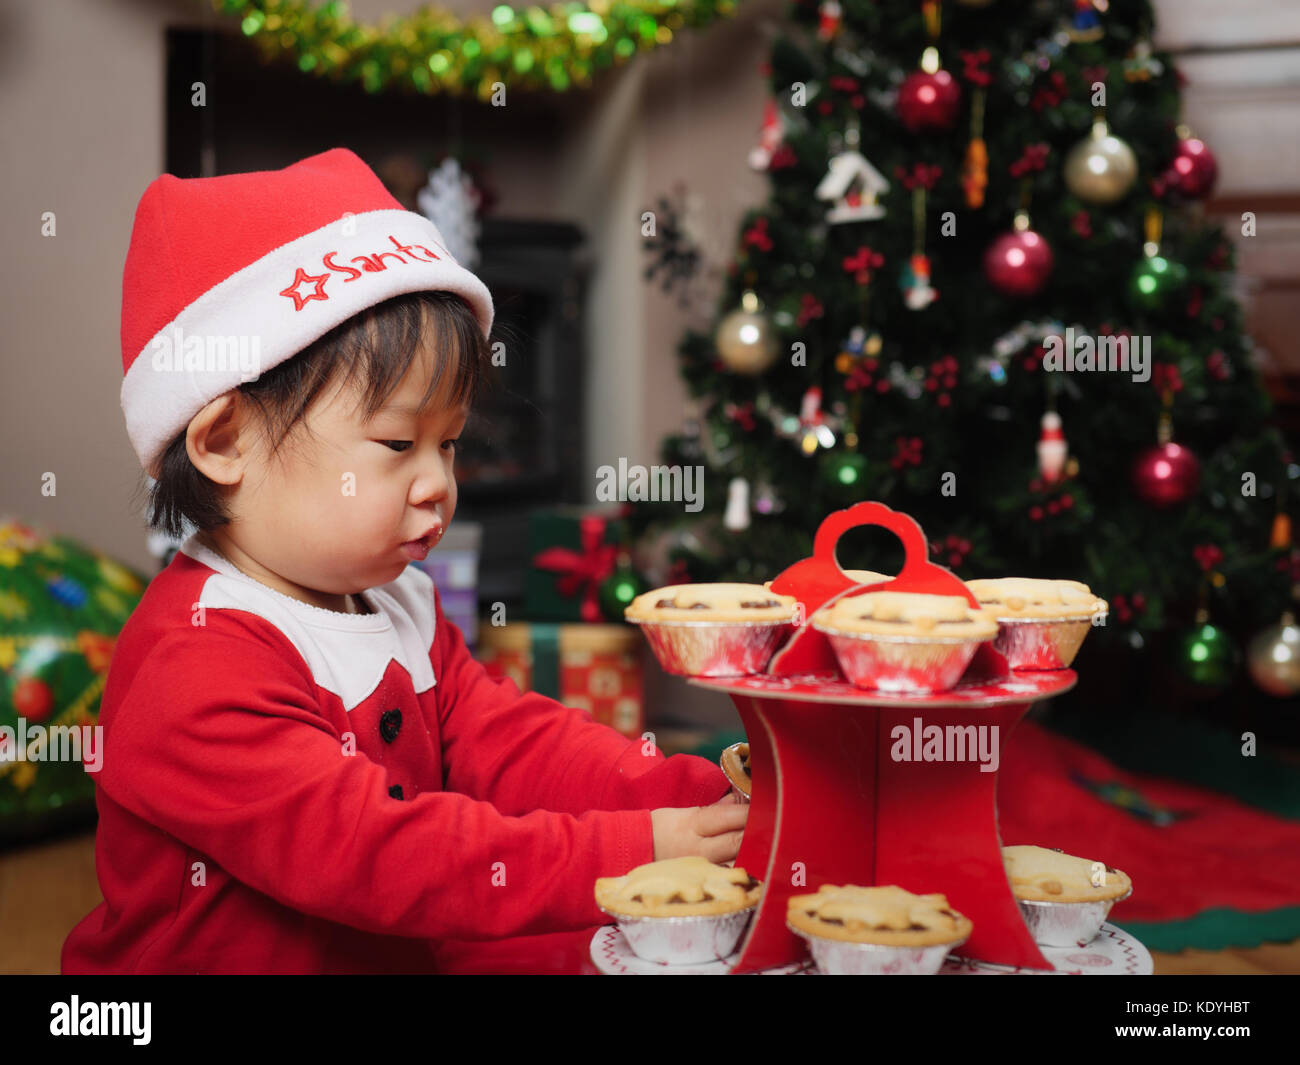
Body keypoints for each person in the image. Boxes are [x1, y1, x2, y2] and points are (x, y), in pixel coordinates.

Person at [62, 148, 746, 974]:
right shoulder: (193, 663)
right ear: (224, 441)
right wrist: (632, 852)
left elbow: (514, 743)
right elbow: (376, 852)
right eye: (397, 443)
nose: (438, 485)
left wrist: (686, 797)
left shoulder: (394, 604)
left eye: (450, 443)